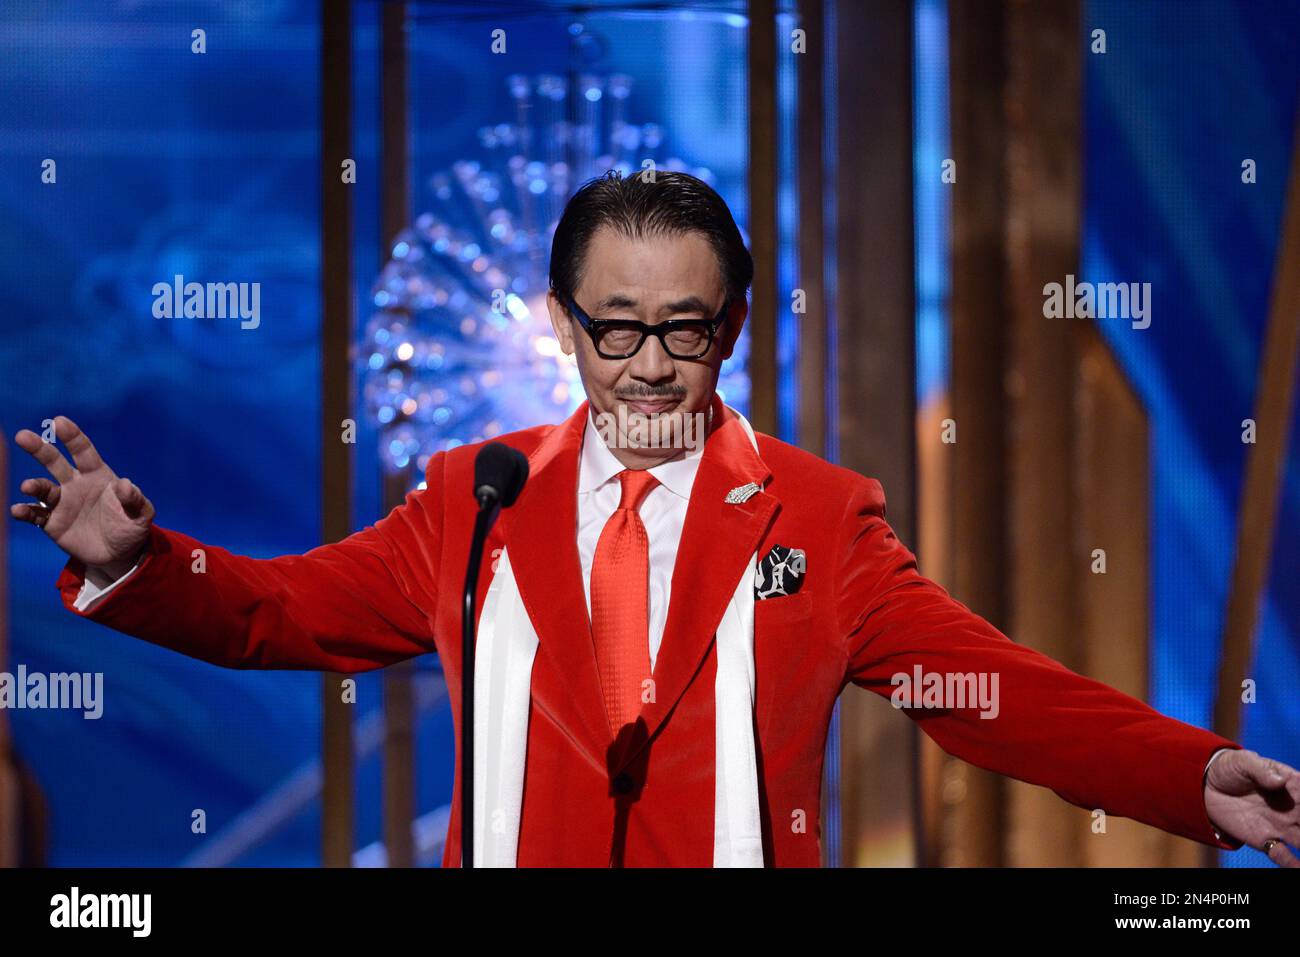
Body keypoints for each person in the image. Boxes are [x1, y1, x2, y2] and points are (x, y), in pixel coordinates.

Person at [10, 171, 1299, 867]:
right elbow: (279, 613)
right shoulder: (474, 499)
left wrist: (1190, 774)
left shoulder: (817, 516)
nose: (646, 363)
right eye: (614, 327)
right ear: (566, 325)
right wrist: (137, 563)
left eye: (682, 328)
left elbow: (993, 693)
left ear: (729, 327)